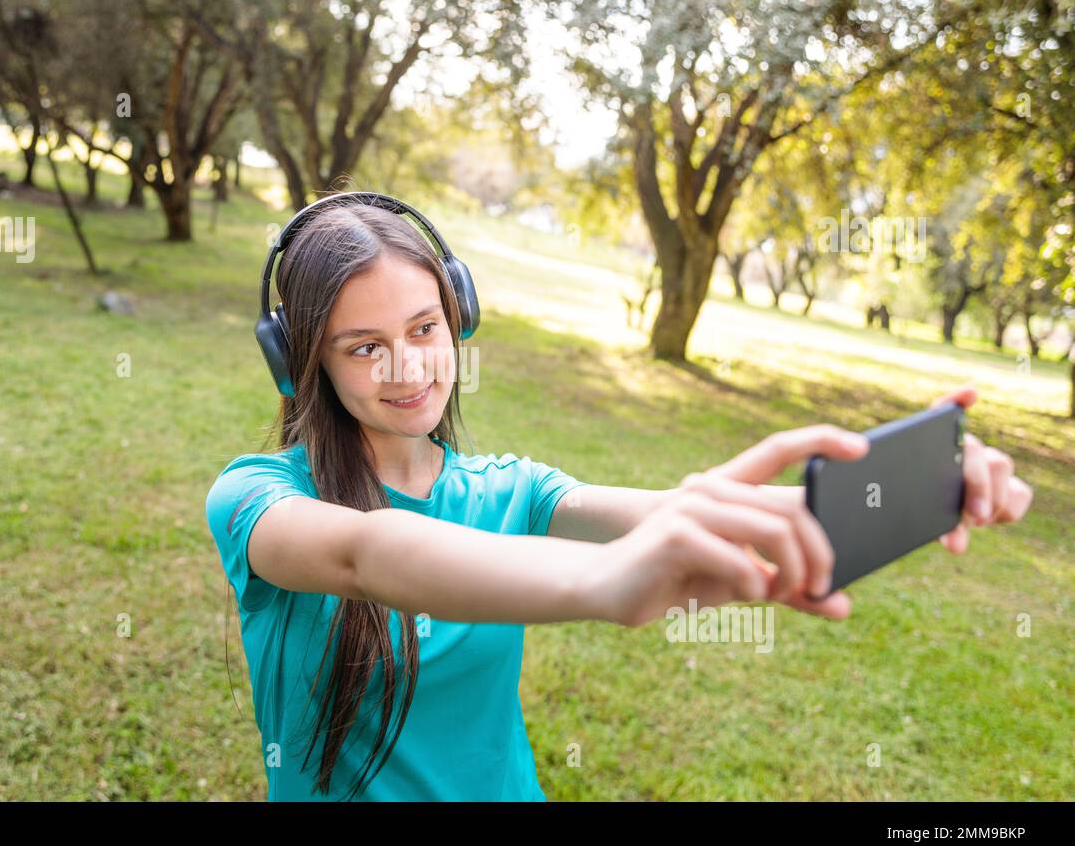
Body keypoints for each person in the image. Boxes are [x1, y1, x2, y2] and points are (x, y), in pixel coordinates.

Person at [205, 193, 1033, 802]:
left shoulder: (513, 490)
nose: (409, 368)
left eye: (425, 329)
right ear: (302, 361)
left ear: (457, 319)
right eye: (364, 347)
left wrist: (928, 484)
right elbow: (365, 556)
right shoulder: (256, 499)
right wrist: (604, 584)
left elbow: (695, 518)